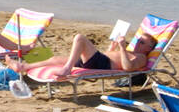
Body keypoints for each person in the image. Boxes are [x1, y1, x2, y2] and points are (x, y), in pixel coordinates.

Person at [12, 30, 158, 80]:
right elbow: (113, 56)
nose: (138, 43)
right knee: (55, 59)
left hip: (102, 64)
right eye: (138, 40)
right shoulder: (131, 52)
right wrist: (113, 47)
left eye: (142, 42)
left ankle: (67, 69)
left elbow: (128, 68)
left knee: (80, 38)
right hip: (99, 60)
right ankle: (24, 66)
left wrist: (121, 47)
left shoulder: (141, 57)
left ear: (149, 48)